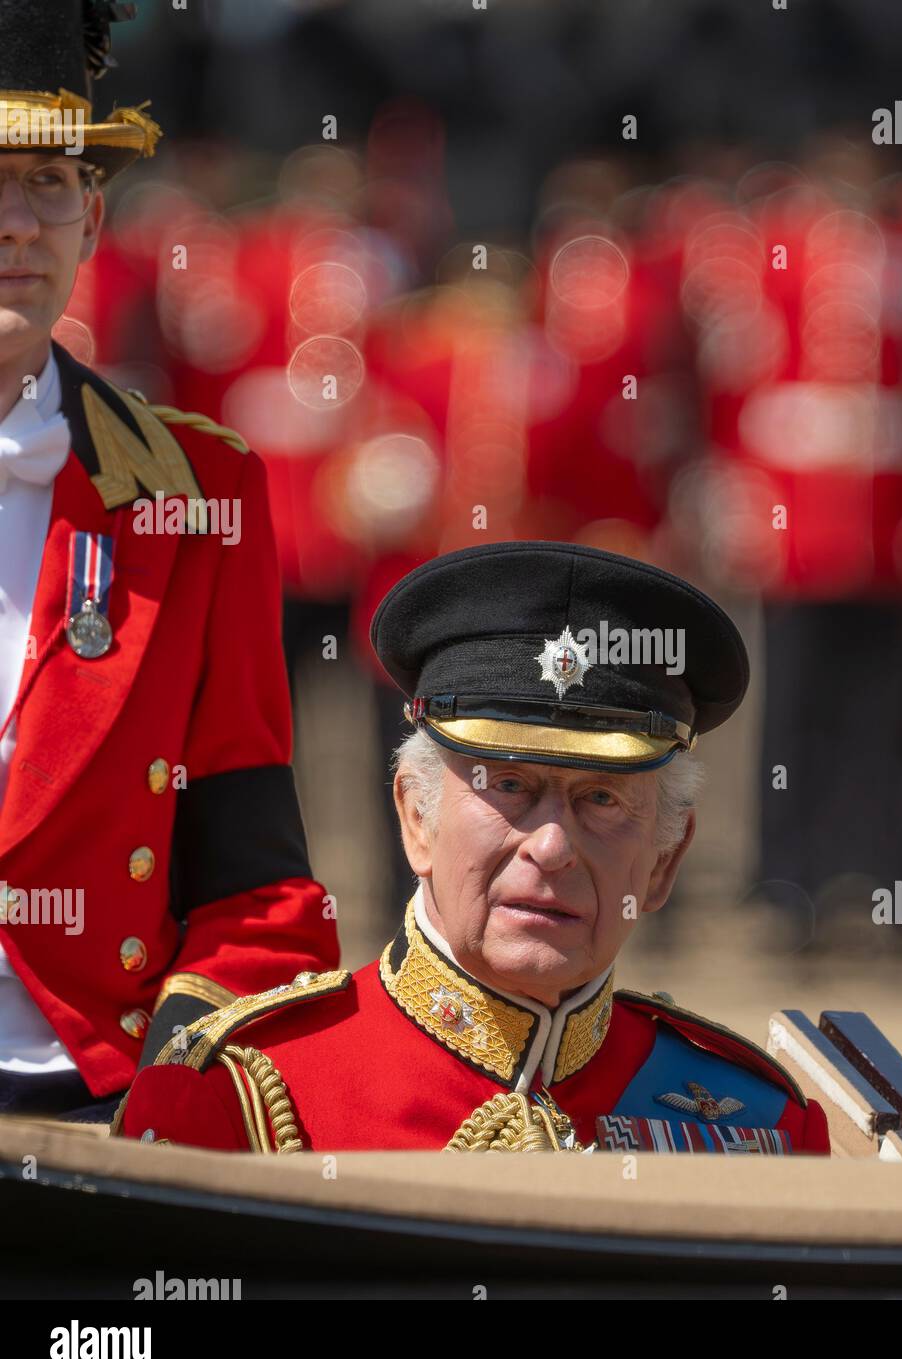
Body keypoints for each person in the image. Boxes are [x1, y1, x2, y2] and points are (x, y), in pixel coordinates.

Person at [115, 542, 832, 1155]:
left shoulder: (762, 1123)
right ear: (415, 818)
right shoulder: (236, 1098)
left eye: (602, 800)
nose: (551, 847)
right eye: (509, 786)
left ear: (665, 861)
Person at [0, 0, 337, 1120]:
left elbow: (251, 875)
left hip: (93, 1092)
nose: (18, 223)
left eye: (49, 183)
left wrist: (177, 1081)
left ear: (93, 223)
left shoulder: (198, 493)